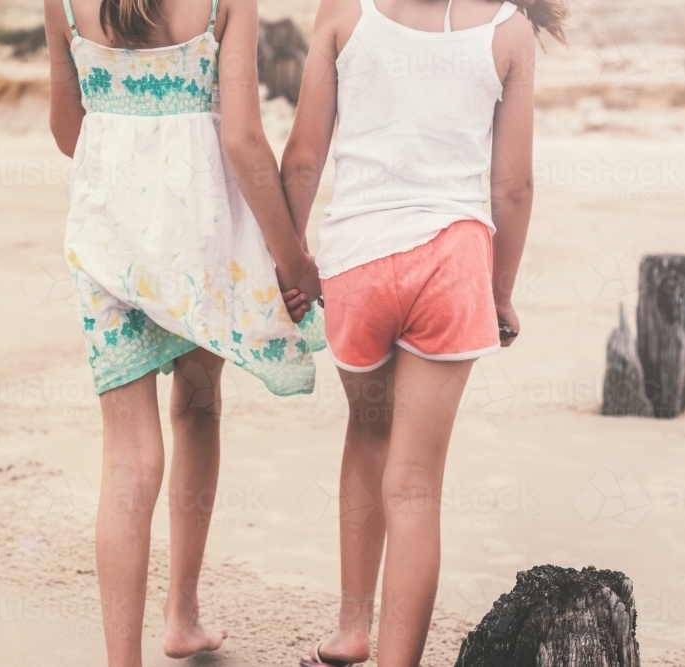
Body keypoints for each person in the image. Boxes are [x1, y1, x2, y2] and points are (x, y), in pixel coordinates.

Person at [280, 0, 567, 664]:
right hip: (453, 263)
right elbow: (515, 186)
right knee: (414, 485)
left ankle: (352, 629)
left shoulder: (344, 12)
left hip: (358, 262)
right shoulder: (509, 30)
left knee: (367, 435)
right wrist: (500, 290)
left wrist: (292, 256)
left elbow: (301, 158)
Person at [43, 0, 323, 664]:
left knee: (127, 458)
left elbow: (65, 130)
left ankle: (123, 659)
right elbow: (245, 142)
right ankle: (182, 613)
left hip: (107, 235)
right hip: (195, 236)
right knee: (198, 409)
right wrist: (292, 257)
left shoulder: (62, 4)